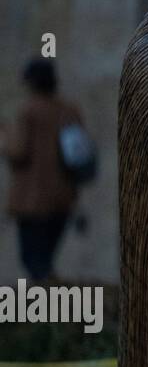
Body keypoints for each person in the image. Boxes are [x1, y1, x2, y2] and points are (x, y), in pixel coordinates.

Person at [3, 59, 85, 281]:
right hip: (63, 198)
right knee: (45, 259)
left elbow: (18, 152)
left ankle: (49, 307)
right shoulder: (69, 110)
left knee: (33, 260)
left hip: (32, 202)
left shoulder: (28, 112)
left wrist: (4, 136)